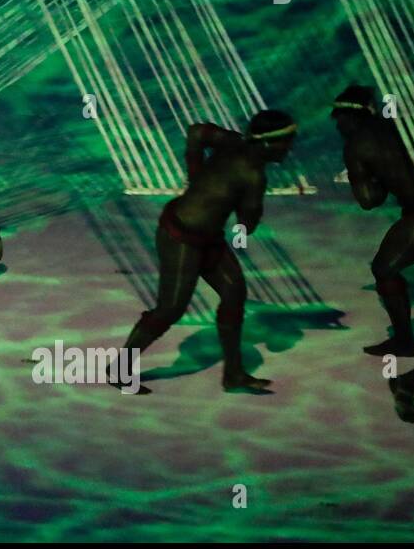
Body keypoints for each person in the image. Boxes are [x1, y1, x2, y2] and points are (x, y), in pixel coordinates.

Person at [112, 111, 298, 393]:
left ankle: (233, 374)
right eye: (286, 142)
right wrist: (242, 210)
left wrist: (197, 176)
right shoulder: (253, 175)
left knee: (234, 291)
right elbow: (247, 223)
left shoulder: (236, 143)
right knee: (170, 308)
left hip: (206, 236)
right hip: (182, 236)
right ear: (269, 144)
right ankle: (119, 370)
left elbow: (197, 132)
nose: (290, 148)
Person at [332, 84, 414, 357]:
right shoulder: (401, 125)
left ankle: (404, 341)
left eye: (338, 120)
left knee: (384, 269)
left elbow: (369, 201)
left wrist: (371, 178)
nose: (337, 127)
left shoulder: (356, 144)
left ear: (348, 117)